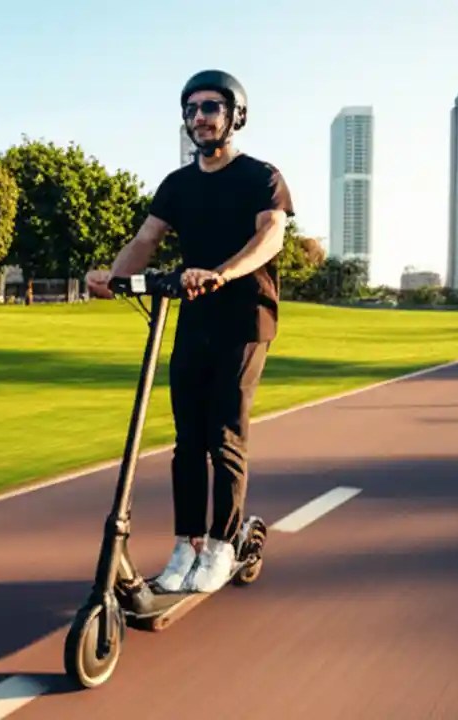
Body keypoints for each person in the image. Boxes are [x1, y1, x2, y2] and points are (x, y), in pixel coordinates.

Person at [86, 70, 293, 593]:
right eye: (192, 109)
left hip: (246, 319)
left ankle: (222, 546)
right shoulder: (177, 185)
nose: (199, 118)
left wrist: (221, 273)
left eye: (211, 108)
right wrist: (113, 278)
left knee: (224, 435)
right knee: (187, 441)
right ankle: (188, 543)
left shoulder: (262, 177)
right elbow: (146, 239)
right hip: (194, 317)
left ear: (235, 116)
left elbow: (271, 236)